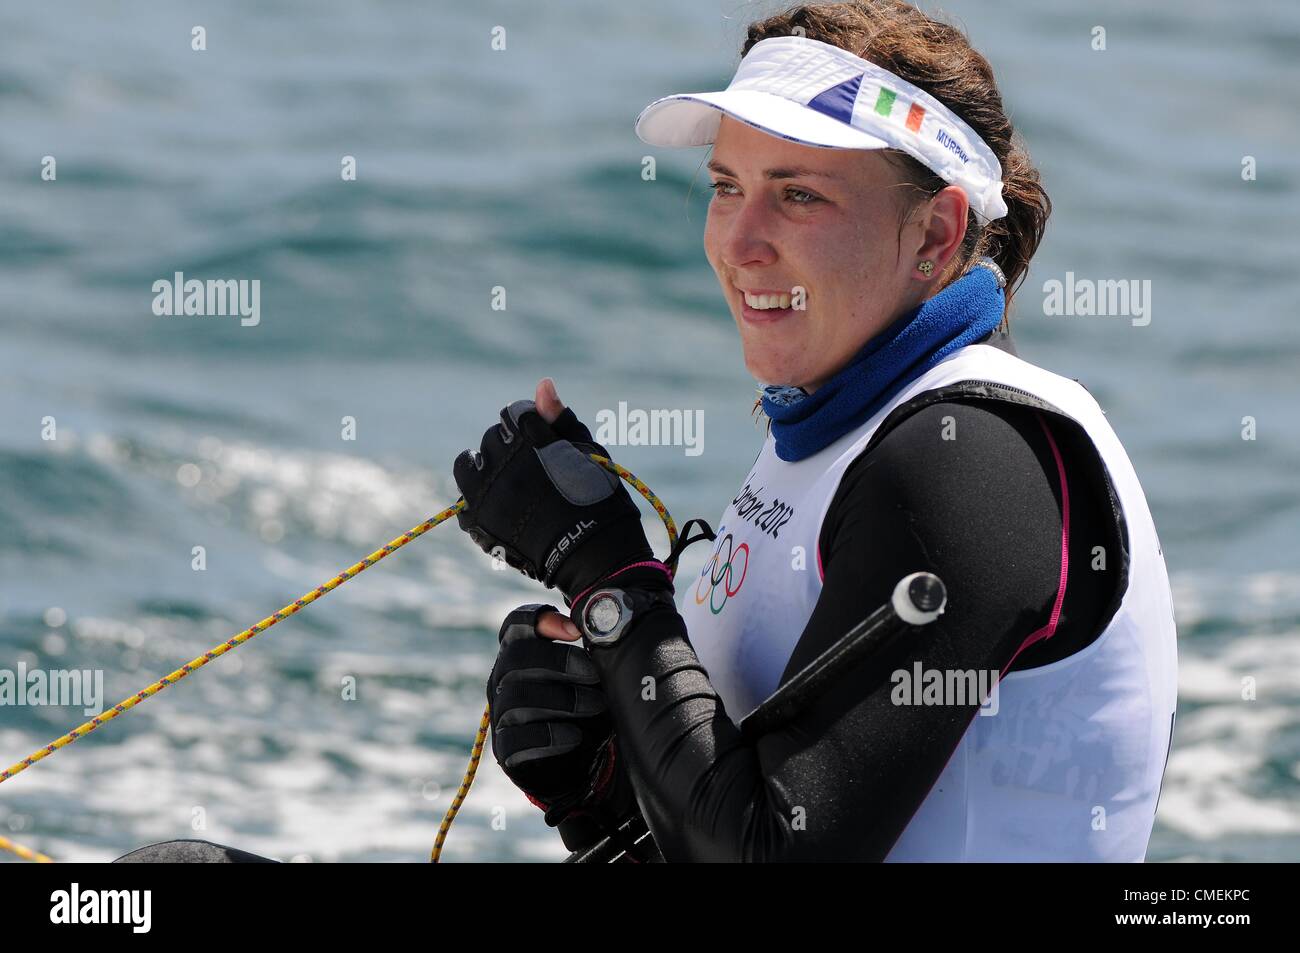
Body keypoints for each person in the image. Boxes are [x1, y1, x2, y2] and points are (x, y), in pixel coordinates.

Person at [455, 0, 1178, 862]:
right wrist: (599, 781)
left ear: (937, 232)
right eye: (727, 187)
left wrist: (609, 581)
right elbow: (743, 815)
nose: (740, 242)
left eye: (799, 195)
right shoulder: (844, 425)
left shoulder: (968, 457)